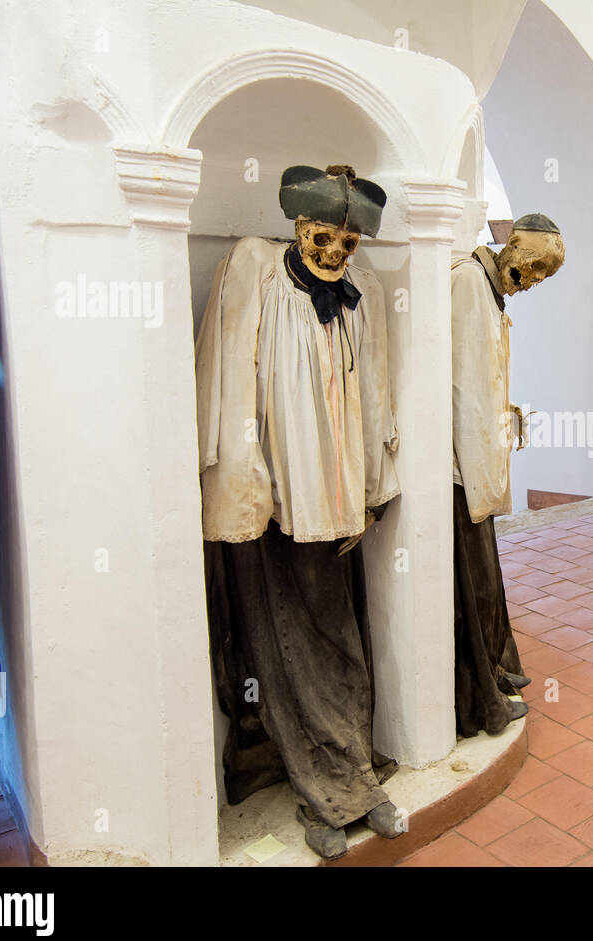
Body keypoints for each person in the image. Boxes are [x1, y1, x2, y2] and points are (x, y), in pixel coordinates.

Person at [195, 164, 402, 860]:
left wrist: (372, 487)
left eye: (350, 242)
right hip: (271, 501)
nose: (336, 253)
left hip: (335, 502)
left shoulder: (360, 290)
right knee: (278, 646)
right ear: (297, 226)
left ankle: (351, 775)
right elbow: (225, 380)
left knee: (337, 638)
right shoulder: (252, 269)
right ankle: (327, 794)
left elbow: (374, 390)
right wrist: (249, 492)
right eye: (324, 236)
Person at [451, 213, 565, 737]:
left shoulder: (489, 289)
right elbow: (457, 385)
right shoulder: (468, 283)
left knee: (485, 576)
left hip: (478, 464)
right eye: (535, 266)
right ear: (512, 246)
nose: (537, 279)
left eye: (546, 275)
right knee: (469, 582)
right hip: (458, 467)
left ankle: (494, 669)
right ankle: (477, 689)